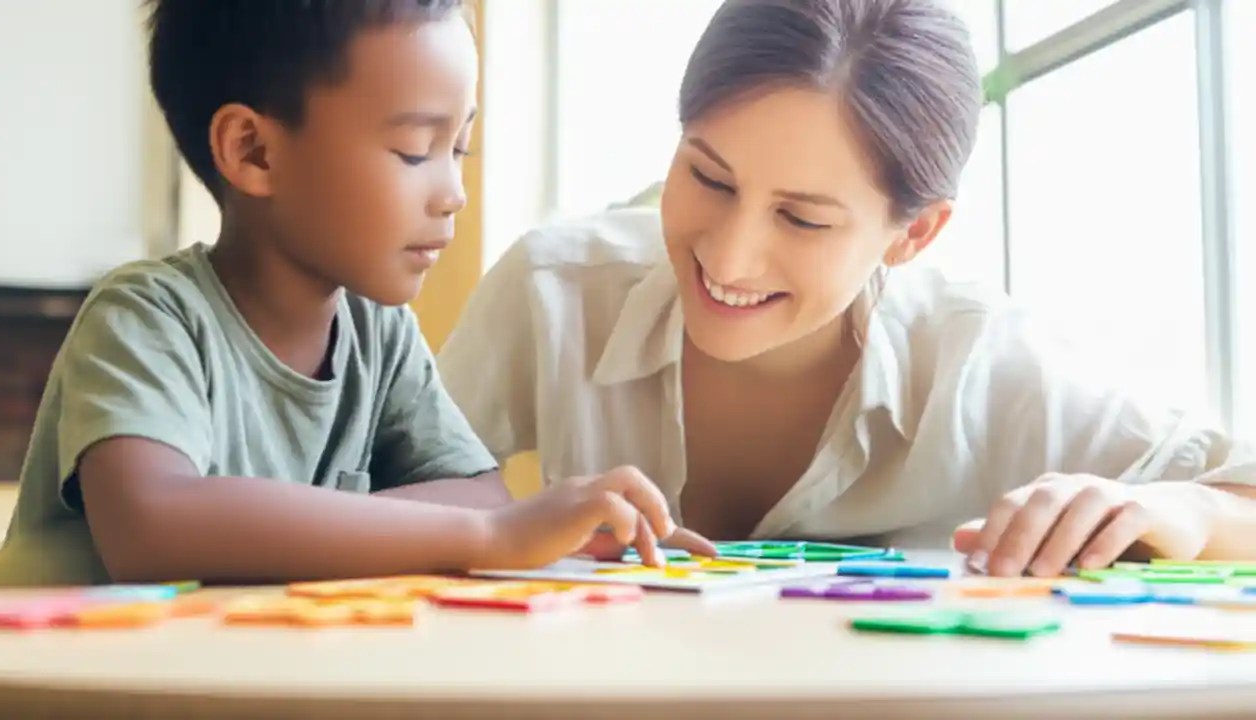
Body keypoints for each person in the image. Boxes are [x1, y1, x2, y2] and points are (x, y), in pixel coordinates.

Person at [439, 0, 1256, 577]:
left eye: (802, 219)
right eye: (708, 178)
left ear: (915, 234)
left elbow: (1240, 493)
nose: (730, 255)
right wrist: (495, 530)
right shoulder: (552, 288)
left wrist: (1182, 514)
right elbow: (362, 497)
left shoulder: (983, 362)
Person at [0, 0, 695, 587]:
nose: (452, 193)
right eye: (416, 151)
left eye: (461, 149)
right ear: (253, 151)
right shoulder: (146, 318)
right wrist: (490, 535)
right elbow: (153, 526)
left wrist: (485, 524)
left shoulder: (378, 333)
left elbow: (478, 489)